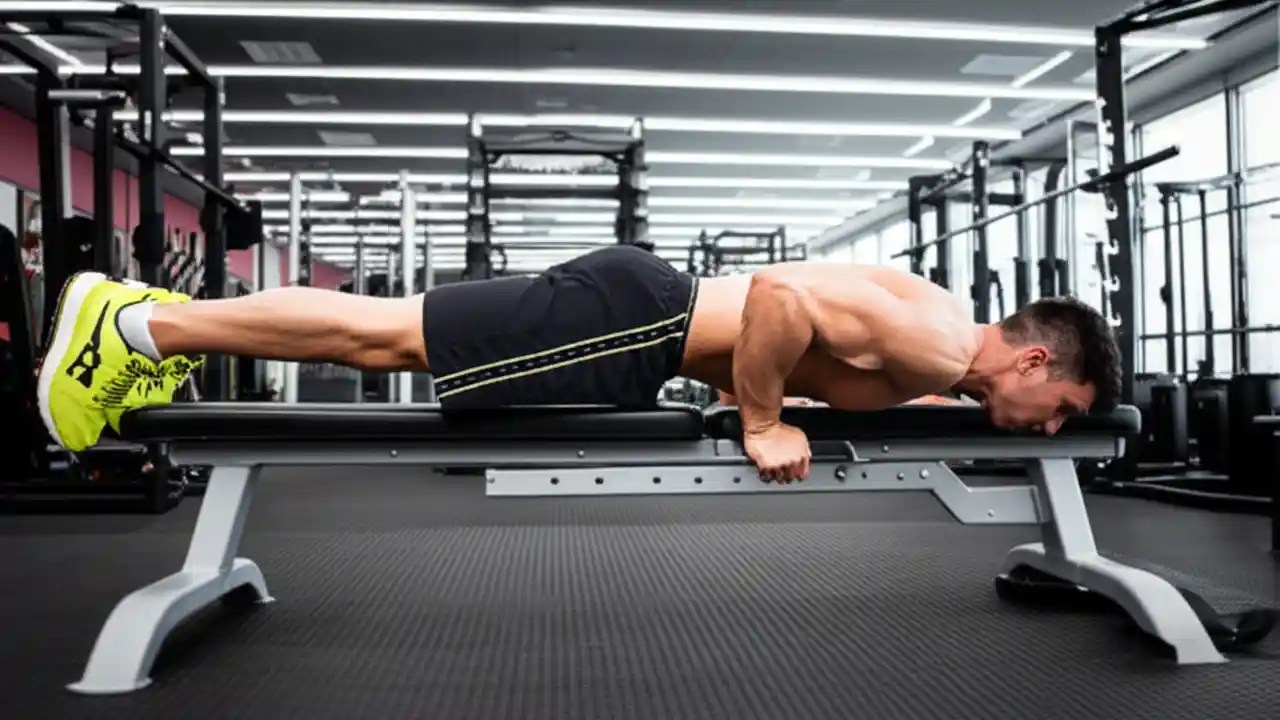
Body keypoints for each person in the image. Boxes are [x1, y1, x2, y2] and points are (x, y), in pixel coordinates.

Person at [37, 245, 1120, 482]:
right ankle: (140, 328)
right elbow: (782, 299)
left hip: (642, 324)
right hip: (640, 323)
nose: (1049, 425)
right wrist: (760, 419)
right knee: (387, 335)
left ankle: (150, 324)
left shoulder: (938, 343)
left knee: (389, 332)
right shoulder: (936, 339)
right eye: (1058, 405)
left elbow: (813, 325)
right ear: (1029, 356)